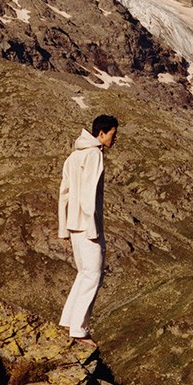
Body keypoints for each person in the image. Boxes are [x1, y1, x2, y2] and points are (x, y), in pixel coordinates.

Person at [58, 114, 118, 346]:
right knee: (93, 275)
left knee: (84, 273)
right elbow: (88, 195)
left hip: (74, 224)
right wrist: (93, 228)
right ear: (101, 134)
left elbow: (64, 192)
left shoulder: (74, 155)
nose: (115, 139)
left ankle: (68, 320)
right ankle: (79, 329)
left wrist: (64, 227)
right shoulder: (94, 155)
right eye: (113, 134)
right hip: (87, 225)